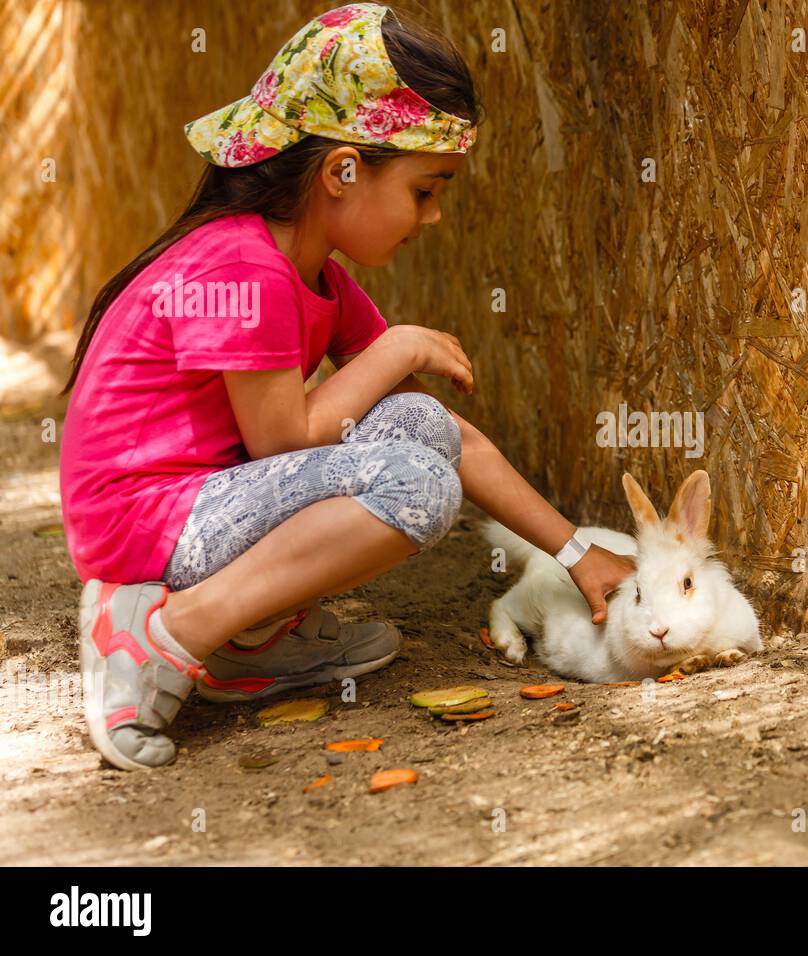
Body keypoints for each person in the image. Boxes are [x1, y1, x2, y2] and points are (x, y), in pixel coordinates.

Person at [59, 3, 635, 771]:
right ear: (342, 171)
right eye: (426, 190)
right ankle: (167, 632)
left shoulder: (312, 274)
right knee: (414, 486)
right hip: (143, 522)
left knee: (420, 433)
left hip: (202, 507)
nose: (431, 218)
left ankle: (250, 640)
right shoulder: (244, 269)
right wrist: (397, 348)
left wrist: (575, 552)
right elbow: (284, 440)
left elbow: (443, 434)